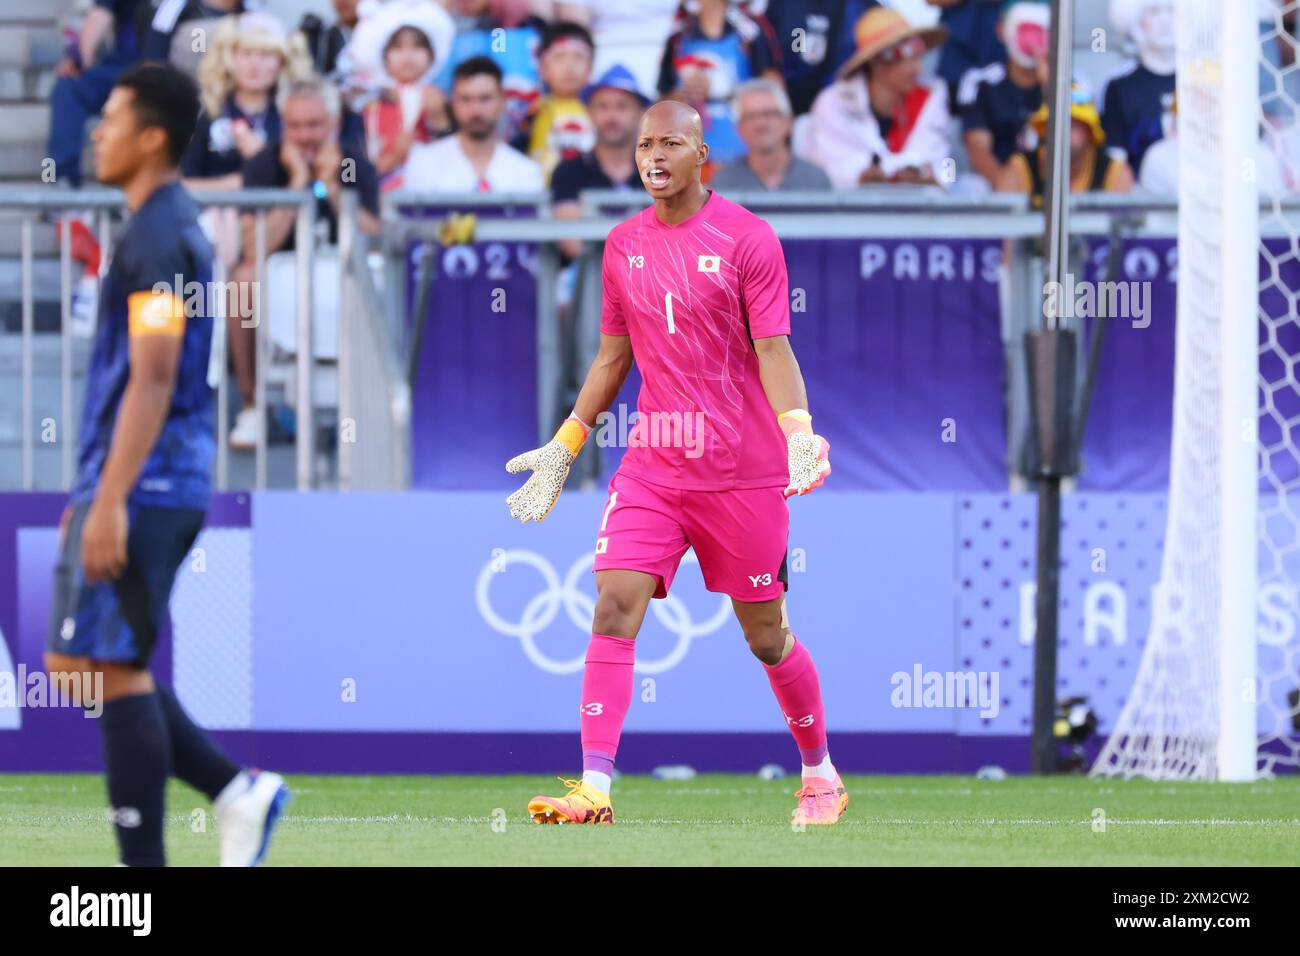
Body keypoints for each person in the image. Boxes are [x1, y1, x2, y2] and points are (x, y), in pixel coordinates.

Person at [507, 99, 842, 827]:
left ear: (702, 156)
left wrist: (799, 431)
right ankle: (594, 786)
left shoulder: (749, 238)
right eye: (644, 146)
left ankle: (820, 773)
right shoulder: (623, 243)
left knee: (766, 635)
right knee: (613, 603)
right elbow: (612, 357)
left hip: (743, 472)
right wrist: (565, 446)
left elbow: (773, 348)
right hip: (654, 468)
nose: (654, 157)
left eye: (671, 144)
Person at [43, 62, 290, 868]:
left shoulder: (158, 235)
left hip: (151, 479)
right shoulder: (157, 224)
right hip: (135, 476)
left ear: (151, 137)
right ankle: (233, 790)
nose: (96, 132)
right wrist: (94, 490)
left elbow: (153, 377)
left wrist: (112, 497)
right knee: (77, 663)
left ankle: (144, 877)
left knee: (109, 666)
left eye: (111, 119)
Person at [230, 79, 381, 451]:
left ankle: (371, 403)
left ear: (331, 123)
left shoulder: (353, 163)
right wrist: (298, 184)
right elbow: (254, 249)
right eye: (294, 126)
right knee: (242, 281)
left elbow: (373, 236)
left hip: (343, 280)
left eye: (313, 125)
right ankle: (251, 404)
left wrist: (331, 187)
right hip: (280, 283)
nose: (304, 136)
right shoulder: (263, 165)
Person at [798, 7, 951, 188]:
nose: (916, 69)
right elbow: (826, 168)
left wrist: (928, 177)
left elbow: (943, 164)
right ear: (877, 61)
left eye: (918, 58)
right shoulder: (833, 103)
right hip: (849, 213)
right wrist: (860, 176)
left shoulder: (930, 98)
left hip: (917, 211)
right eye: (906, 59)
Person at [183, 12, 313, 192]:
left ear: (282, 62)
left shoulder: (293, 116)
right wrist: (245, 181)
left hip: (278, 216)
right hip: (215, 217)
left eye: (266, 54)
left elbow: (311, 178)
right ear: (230, 58)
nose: (255, 63)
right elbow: (184, 185)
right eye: (246, 53)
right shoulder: (209, 114)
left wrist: (264, 156)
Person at [655, 0, 784, 169]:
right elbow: (661, 105)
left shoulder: (750, 30)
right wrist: (683, 96)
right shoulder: (678, 38)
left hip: (745, 159)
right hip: (693, 162)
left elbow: (775, 89)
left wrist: (720, 88)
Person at [342, 0, 455, 190]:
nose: (408, 56)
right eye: (398, 47)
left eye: (418, 47)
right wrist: (393, 157)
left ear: (432, 54)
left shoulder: (442, 100)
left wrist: (441, 122)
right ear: (384, 55)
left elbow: (454, 163)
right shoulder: (364, 104)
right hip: (377, 197)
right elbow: (348, 174)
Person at [403, 56, 545, 193]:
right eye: (466, 99)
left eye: (485, 99)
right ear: (453, 103)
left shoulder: (526, 171)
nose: (476, 110)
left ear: (503, 103)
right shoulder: (424, 163)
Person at [47, 0, 150, 186]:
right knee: (70, 84)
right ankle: (64, 179)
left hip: (167, 72)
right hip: (121, 69)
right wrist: (79, 61)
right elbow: (100, 14)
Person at [551, 64, 649, 260]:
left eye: (622, 106)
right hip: (588, 286)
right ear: (589, 112)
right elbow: (572, 244)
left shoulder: (661, 170)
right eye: (602, 106)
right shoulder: (569, 170)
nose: (611, 117)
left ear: (640, 114)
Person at [959, 0, 1048, 191]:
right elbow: (977, 148)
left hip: (1055, 187)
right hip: (999, 188)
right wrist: (1007, 188)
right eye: (1025, 30)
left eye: (1038, 31)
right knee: (972, 187)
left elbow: (1079, 143)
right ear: (1001, 30)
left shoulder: (1073, 85)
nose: (1031, 39)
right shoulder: (980, 83)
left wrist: (1049, 86)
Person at [997, 78, 1133, 202]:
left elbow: (1122, 226)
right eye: (1054, 124)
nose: (1061, 133)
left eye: (1071, 125)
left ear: (1089, 131)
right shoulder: (1019, 168)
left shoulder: (1114, 172)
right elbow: (1002, 224)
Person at [710, 77, 832, 192]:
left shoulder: (815, 179)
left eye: (768, 113)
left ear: (788, 121)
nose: (760, 123)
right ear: (739, 128)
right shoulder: (723, 183)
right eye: (750, 116)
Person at [514, 20, 597, 183]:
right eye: (559, 57)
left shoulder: (600, 110)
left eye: (578, 58)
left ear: (591, 67)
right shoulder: (531, 111)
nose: (569, 67)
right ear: (542, 68)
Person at [1101, 0, 1175, 173]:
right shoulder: (1120, 88)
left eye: (1172, 10)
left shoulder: (1203, 80)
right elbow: (1115, 158)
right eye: (1154, 11)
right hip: (1139, 194)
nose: (1165, 20)